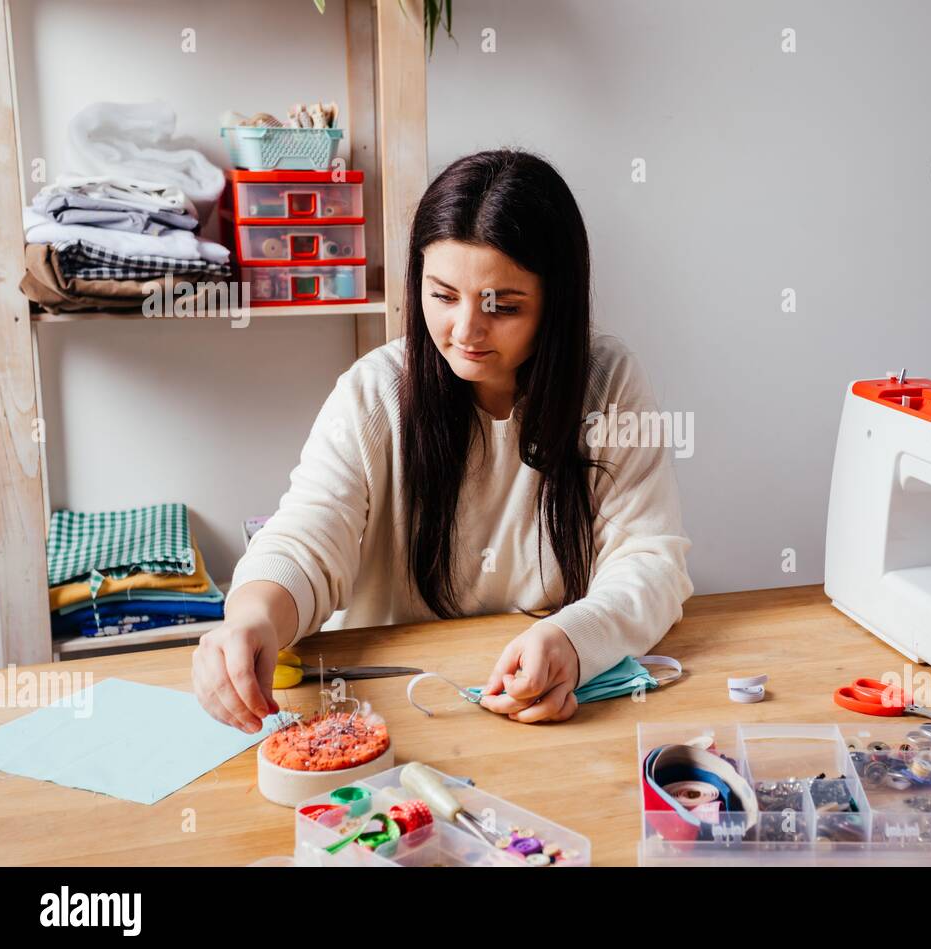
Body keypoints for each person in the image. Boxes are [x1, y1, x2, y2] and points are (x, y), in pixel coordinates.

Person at [192, 149, 693, 729]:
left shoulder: (606, 382)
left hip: (544, 711)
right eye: (443, 295)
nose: (465, 331)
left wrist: (573, 641)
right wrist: (253, 617)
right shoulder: (375, 392)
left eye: (502, 306)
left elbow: (651, 559)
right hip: (392, 711)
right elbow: (308, 535)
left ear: (556, 304)